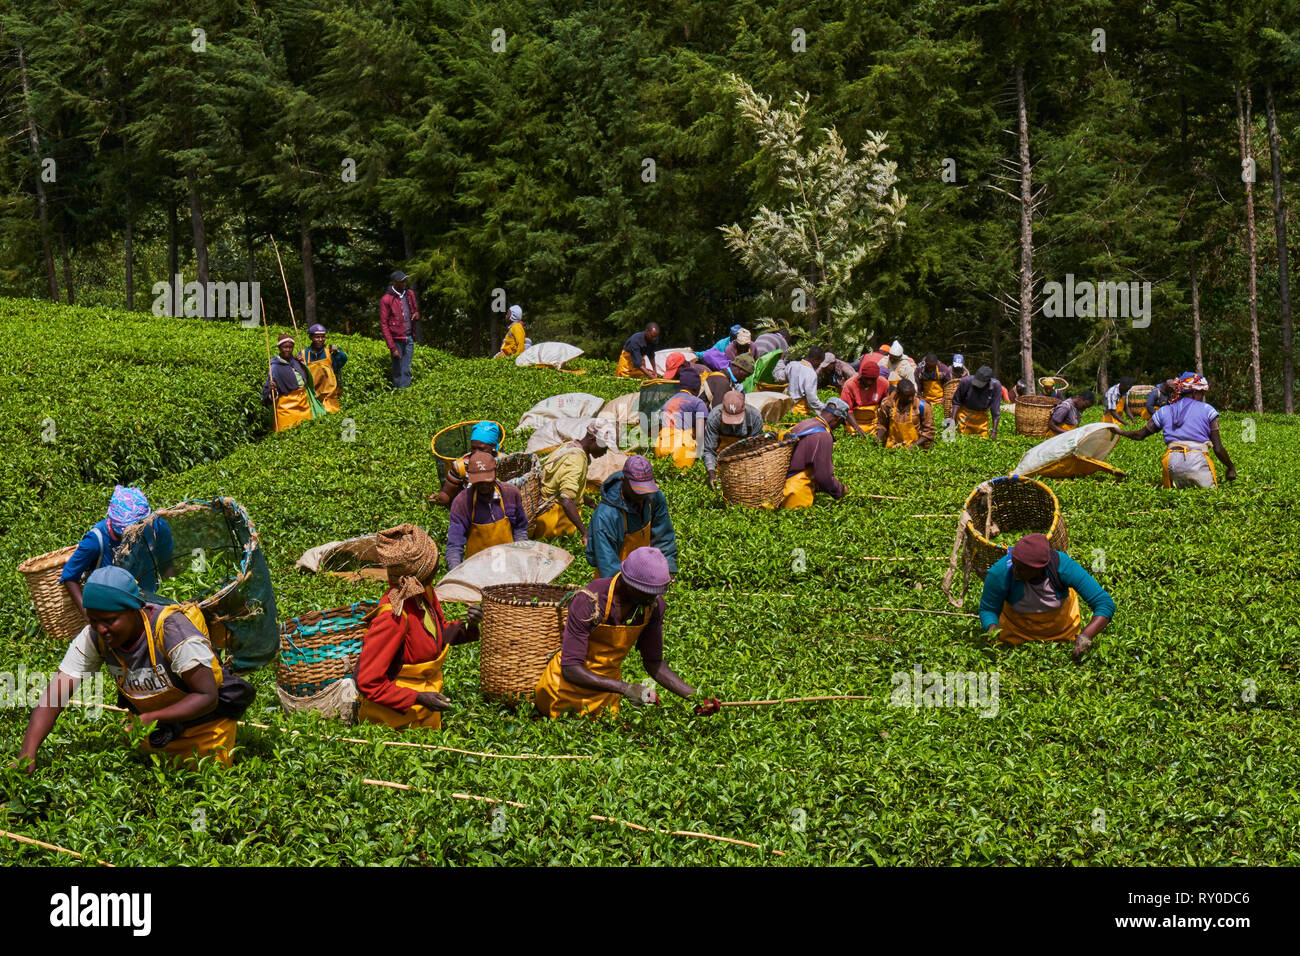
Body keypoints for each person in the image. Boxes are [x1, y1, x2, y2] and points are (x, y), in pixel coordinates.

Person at [18, 566, 255, 772]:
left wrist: (150, 718)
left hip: (205, 734)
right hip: (152, 735)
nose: (101, 629)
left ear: (135, 610)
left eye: (110, 620)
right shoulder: (94, 637)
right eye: (94, 620)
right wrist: (27, 755)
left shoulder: (173, 631)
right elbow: (55, 695)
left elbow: (207, 696)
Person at [534, 547, 696, 718]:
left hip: (605, 696)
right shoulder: (590, 600)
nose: (652, 600)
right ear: (628, 583)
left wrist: (695, 696)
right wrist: (625, 688)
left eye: (656, 595)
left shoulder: (652, 605)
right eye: (647, 594)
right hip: (562, 693)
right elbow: (571, 668)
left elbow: (653, 662)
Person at [356, 524, 482, 730]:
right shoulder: (392, 617)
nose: (437, 569)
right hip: (394, 719)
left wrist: (469, 624)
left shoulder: (425, 594)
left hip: (425, 707)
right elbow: (368, 682)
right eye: (433, 566)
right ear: (420, 573)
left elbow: (437, 635)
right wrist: (418, 697)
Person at [979, 533, 1115, 661]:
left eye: (1022, 568)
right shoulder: (1001, 571)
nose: (1015, 570)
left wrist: (1085, 636)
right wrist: (992, 631)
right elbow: (988, 608)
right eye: (1014, 564)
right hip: (1016, 631)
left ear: (1040, 568)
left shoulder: (1063, 566)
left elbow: (1104, 603)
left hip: (1062, 630)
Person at [61, 486, 174, 622]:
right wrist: (89, 616)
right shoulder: (96, 540)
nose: (131, 538)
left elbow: (166, 562)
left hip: (151, 603)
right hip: (113, 611)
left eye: (136, 532)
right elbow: (69, 576)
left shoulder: (157, 528)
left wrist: (173, 594)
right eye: (125, 534)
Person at [1115, 373, 1236, 487]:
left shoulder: (1164, 411)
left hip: (1171, 465)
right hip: (1197, 462)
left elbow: (1140, 435)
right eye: (1201, 393)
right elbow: (1218, 448)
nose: (1202, 397)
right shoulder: (1208, 410)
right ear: (1194, 392)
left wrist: (1120, 432)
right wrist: (1230, 467)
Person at [586, 454, 678, 578]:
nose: (642, 496)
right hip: (615, 581)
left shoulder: (652, 496)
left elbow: (663, 535)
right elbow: (608, 564)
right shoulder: (606, 516)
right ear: (624, 480)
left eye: (645, 491)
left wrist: (667, 568)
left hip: (646, 574)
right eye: (637, 491)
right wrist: (632, 589)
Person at [531, 420, 617, 542]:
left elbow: (557, 482)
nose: (605, 452)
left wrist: (587, 500)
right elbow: (566, 501)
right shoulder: (576, 460)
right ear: (593, 440)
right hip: (555, 521)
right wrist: (585, 532)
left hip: (546, 512)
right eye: (604, 446)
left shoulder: (569, 445)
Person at [445, 451, 530, 568]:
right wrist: (456, 572)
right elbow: (455, 545)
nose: (484, 486)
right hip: (477, 567)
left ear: (495, 473)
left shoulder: (510, 493)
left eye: (487, 480)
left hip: (509, 561)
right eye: (479, 482)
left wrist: (521, 554)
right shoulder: (462, 502)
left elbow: (520, 527)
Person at [782, 398, 850, 508]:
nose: (837, 427)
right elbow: (823, 476)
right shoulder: (823, 436)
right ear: (837, 419)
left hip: (783, 485)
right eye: (840, 423)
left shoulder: (807, 422)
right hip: (796, 493)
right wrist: (840, 490)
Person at [702, 390, 765, 489]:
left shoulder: (755, 417)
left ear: (744, 408)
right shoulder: (714, 417)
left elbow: (756, 450)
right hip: (721, 460)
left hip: (745, 461)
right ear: (723, 408)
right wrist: (712, 473)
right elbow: (709, 450)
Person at [430, 421, 503, 507]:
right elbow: (448, 493)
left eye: (482, 449)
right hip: (471, 507)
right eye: (473, 448)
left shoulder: (502, 462)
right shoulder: (461, 466)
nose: (476, 453)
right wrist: (440, 498)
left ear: (493, 447)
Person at [654, 366, 710, 469]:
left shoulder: (668, 401)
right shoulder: (698, 403)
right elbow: (700, 432)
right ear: (696, 387)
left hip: (660, 448)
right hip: (681, 452)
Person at [262, 332, 317, 431]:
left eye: (290, 347)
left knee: (307, 429)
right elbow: (268, 392)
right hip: (286, 406)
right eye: (285, 347)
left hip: (303, 402)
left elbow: (306, 377)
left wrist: (302, 364)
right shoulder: (274, 366)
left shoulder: (295, 360)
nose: (288, 350)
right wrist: (272, 388)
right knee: (286, 431)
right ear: (279, 348)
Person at [380, 270, 419, 388]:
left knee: (406, 369)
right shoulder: (386, 299)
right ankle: (399, 394)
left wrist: (416, 314)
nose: (404, 283)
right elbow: (384, 324)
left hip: (409, 337)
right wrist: (392, 348)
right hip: (396, 339)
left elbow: (415, 310)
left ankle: (405, 394)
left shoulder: (410, 294)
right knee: (397, 370)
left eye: (405, 280)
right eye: (402, 281)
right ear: (395, 282)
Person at [298, 324, 347, 413]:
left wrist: (337, 352)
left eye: (323, 337)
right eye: (317, 337)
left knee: (331, 411)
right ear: (311, 337)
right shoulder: (304, 353)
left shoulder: (329, 351)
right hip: (312, 393)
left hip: (328, 392)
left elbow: (343, 360)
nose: (320, 340)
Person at [875, 379, 935, 449]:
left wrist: (914, 446)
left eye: (913, 395)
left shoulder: (922, 406)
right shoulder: (887, 404)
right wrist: (878, 438)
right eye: (907, 396)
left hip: (915, 449)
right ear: (898, 394)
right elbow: (882, 424)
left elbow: (929, 431)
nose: (911, 398)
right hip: (892, 447)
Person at [840, 358, 888, 437]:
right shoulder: (850, 385)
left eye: (872, 380)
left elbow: (884, 406)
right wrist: (857, 428)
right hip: (854, 423)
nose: (869, 382)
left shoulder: (883, 384)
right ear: (861, 375)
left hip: (873, 423)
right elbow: (847, 409)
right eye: (866, 379)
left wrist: (881, 427)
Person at [951, 365, 1003, 438]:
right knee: (961, 437)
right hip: (964, 416)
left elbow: (995, 411)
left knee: (981, 439)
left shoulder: (995, 386)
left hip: (981, 420)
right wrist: (952, 421)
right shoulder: (966, 381)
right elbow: (956, 402)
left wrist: (994, 431)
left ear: (988, 381)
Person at [778, 347, 827, 417]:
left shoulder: (792, 365)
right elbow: (812, 399)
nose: (819, 365)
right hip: (800, 412)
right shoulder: (811, 373)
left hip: (786, 409)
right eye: (820, 362)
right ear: (815, 360)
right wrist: (825, 408)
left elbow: (779, 377)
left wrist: (780, 361)